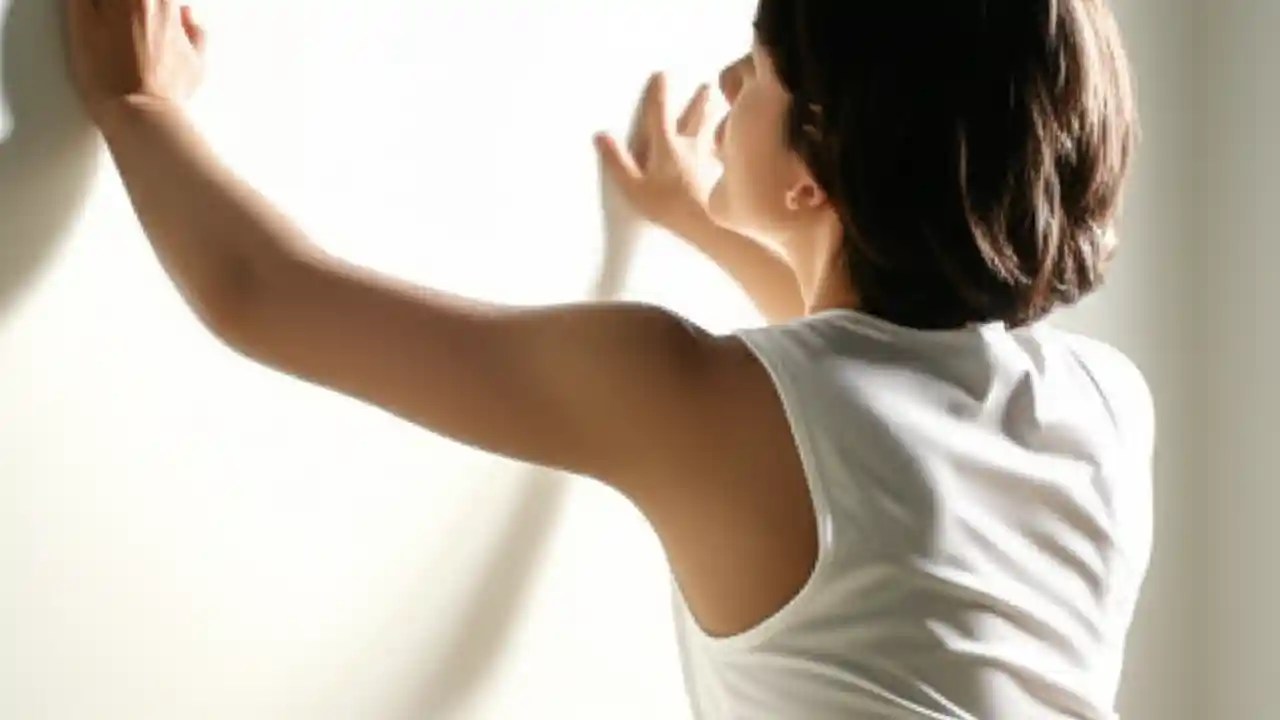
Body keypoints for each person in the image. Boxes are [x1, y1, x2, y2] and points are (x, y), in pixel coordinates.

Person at [65, 0, 1153, 717]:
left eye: (759, 67)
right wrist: (708, 221)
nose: (727, 82)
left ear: (816, 173)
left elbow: (267, 294)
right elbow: (870, 391)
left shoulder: (690, 394)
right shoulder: (1103, 408)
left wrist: (135, 103)